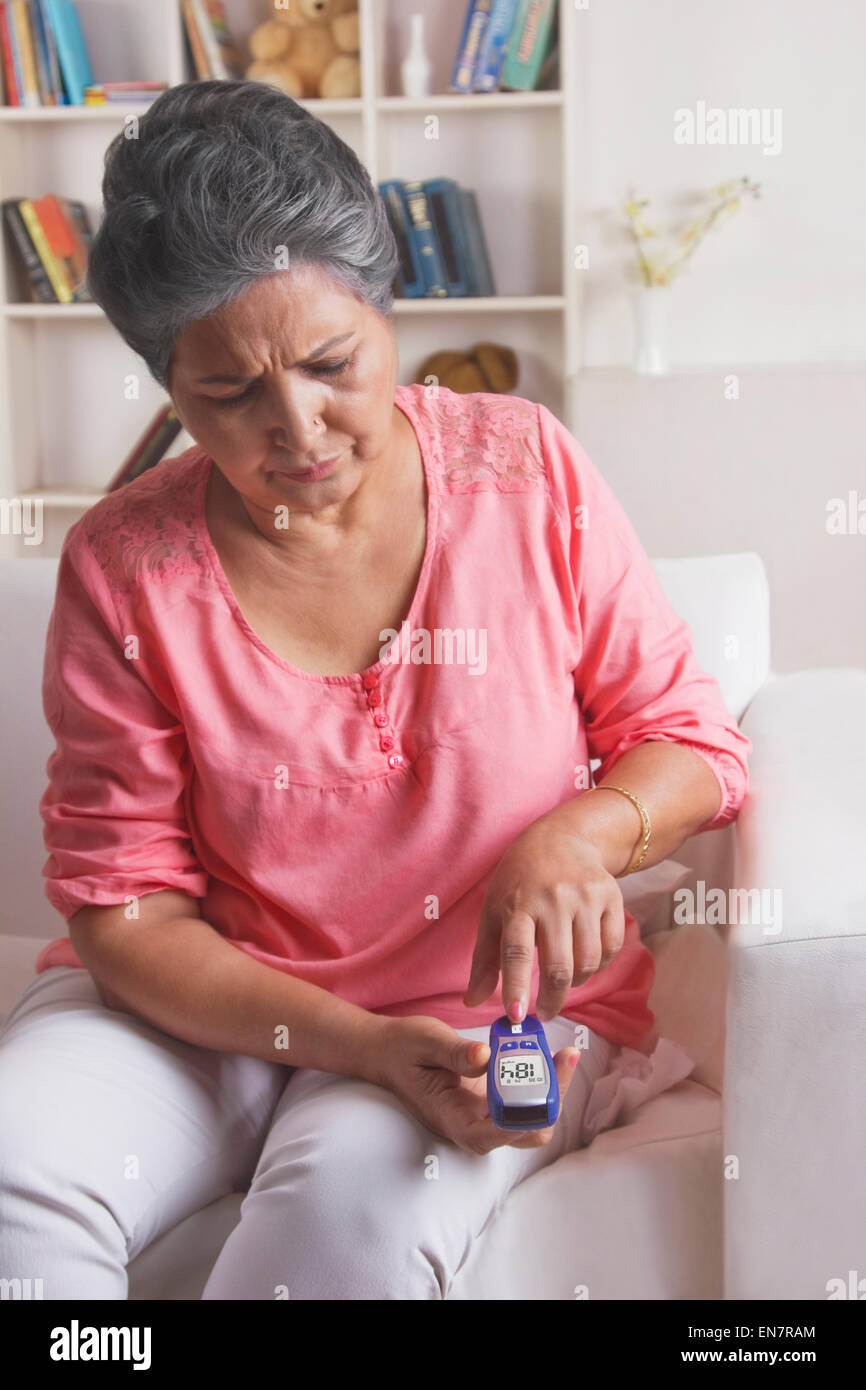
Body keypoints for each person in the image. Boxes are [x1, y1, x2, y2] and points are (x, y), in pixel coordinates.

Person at [0, 80, 751, 1301]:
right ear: (168, 388)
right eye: (227, 396)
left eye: (329, 361)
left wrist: (585, 827)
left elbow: (689, 744)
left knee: (338, 1235)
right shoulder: (126, 566)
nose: (297, 428)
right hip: (205, 1015)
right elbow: (124, 907)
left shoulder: (523, 471)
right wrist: (341, 1039)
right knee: (14, 1176)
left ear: (382, 305)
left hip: (478, 1022)